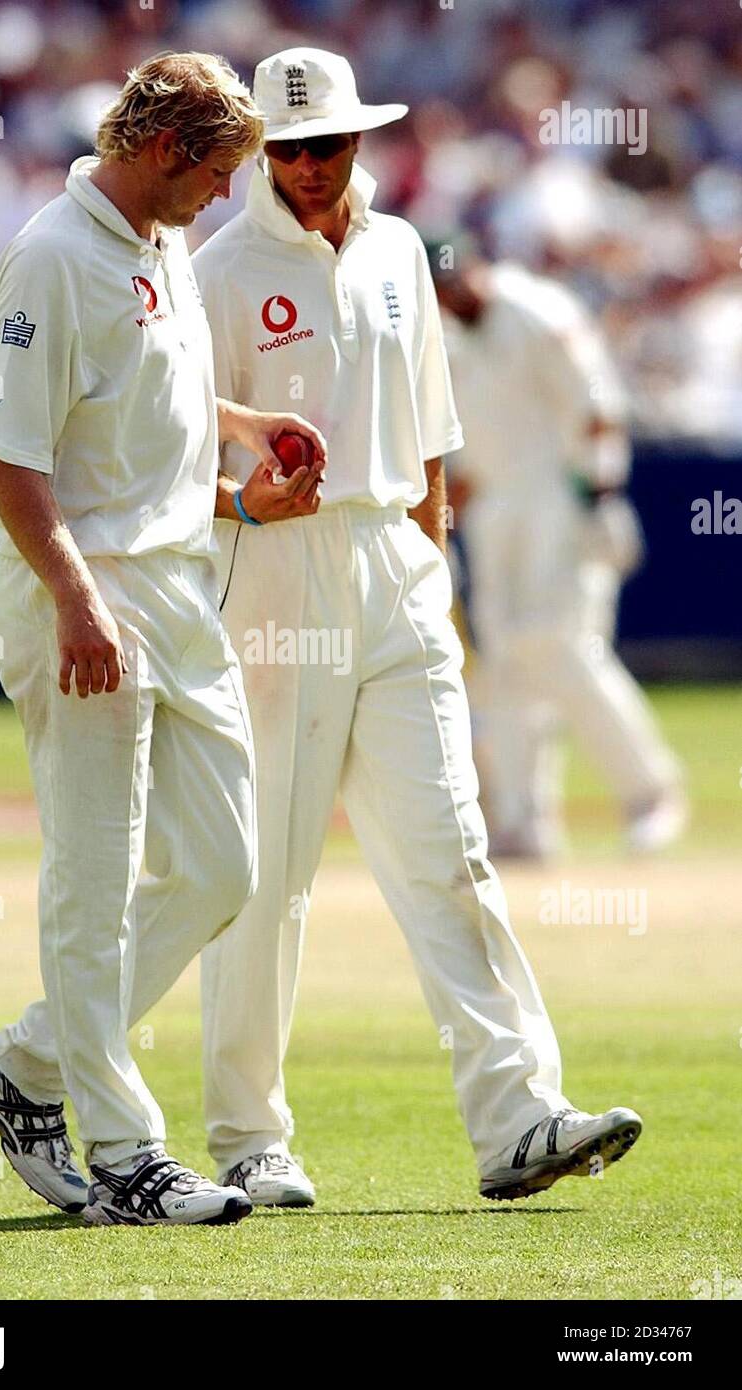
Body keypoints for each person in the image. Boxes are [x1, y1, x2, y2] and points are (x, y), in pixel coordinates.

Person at [192, 48, 643, 1207]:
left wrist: (428, 571)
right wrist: (249, 505)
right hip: (276, 576)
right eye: (281, 148)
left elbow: (433, 437)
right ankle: (249, 1136)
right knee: (266, 871)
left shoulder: (399, 253)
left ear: (359, 141)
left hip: (392, 562)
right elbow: (177, 448)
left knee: (450, 848)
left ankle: (518, 1117)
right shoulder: (219, 267)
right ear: (256, 151)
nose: (302, 168)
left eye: (322, 145)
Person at [0, 52, 326, 1229]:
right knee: (93, 879)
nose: (223, 198)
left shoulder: (155, 243)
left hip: (175, 588)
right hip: (87, 601)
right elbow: (9, 452)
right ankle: (124, 1154)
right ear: (165, 150)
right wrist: (74, 598)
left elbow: (136, 398)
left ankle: (26, 1062)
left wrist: (245, 430)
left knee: (223, 864)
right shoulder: (51, 257)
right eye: (216, 173)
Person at [434, 247, 686, 858]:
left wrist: (602, 498)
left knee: (563, 647)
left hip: (560, 501)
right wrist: (437, 527)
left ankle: (651, 792)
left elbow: (597, 408)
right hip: (497, 517)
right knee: (505, 666)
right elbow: (463, 455)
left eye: (451, 280)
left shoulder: (536, 309)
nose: (448, 295)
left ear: (470, 267)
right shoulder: (442, 334)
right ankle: (524, 823)